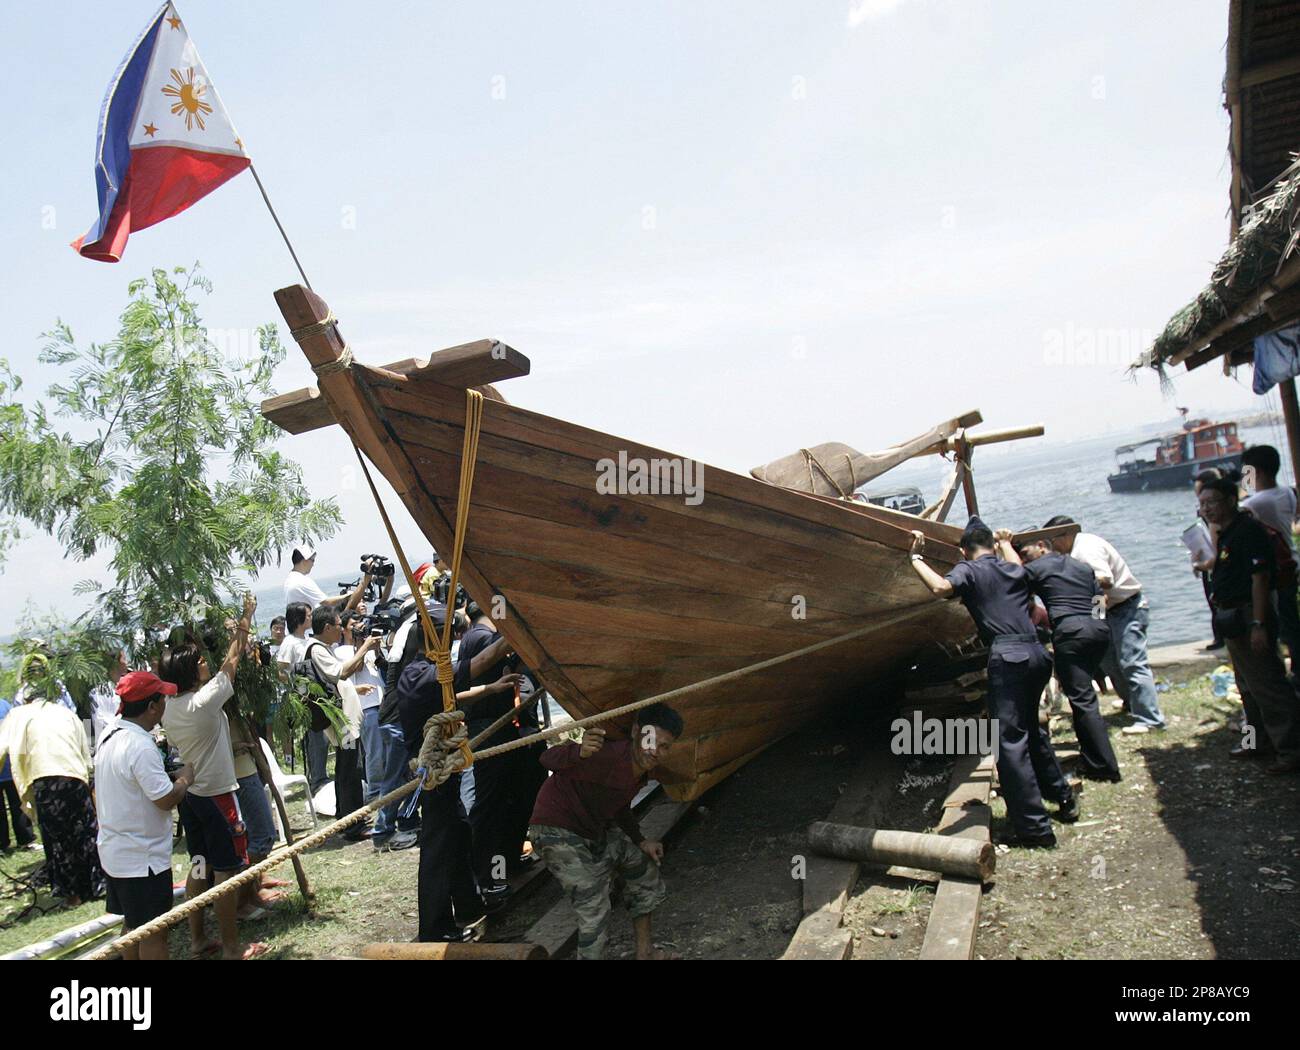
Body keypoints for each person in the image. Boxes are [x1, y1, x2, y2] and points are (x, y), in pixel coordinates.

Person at [908, 518, 1076, 847]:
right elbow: (1015, 564)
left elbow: (941, 589)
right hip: (1037, 655)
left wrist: (914, 558)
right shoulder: (1012, 569)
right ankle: (1064, 800)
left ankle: (1035, 830)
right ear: (992, 545)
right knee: (1032, 730)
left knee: (1009, 744)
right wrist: (1007, 544)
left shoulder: (969, 570)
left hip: (1008, 657)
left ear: (963, 550)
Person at [396, 615, 523, 942]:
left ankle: (467, 907)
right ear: (435, 639)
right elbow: (483, 660)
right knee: (438, 848)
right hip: (432, 776)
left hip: (445, 777)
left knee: (458, 833)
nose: (453, 644)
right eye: (449, 638)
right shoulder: (419, 674)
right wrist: (512, 635)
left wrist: (490, 689)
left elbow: (449, 696)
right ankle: (434, 930)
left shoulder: (422, 673)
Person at [159, 594, 268, 960]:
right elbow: (233, 659)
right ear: (191, 673)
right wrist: (246, 618)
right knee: (226, 871)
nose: (206, 662)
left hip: (191, 798)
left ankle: (197, 939)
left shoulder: (170, 710)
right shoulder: (204, 701)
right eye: (198, 661)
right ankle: (233, 948)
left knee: (199, 865)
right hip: (219, 796)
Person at [528, 704, 683, 960]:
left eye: (664, 746)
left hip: (592, 831)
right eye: (650, 740)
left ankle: (644, 953)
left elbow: (619, 807)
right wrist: (578, 751)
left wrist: (641, 840)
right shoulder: (606, 754)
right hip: (554, 831)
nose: (655, 750)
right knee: (594, 904)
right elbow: (546, 758)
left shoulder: (639, 771)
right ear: (636, 732)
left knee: (643, 869)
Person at [997, 531, 1121, 782]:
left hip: (1070, 631)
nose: (1023, 557)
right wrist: (1094, 624)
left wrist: (1003, 545)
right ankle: (1097, 759)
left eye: (1025, 552)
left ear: (1042, 545)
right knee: (1085, 696)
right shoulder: (1081, 566)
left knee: (1082, 700)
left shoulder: (1038, 568)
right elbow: (1099, 597)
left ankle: (1103, 766)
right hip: (1097, 630)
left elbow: (1013, 575)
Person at [1199, 475, 1300, 773]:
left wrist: (1258, 623)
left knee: (1268, 685)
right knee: (1246, 686)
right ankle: (1256, 741)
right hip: (1230, 618)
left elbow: (1260, 580)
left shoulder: (1248, 531)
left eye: (1212, 502)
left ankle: (1291, 749)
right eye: (1202, 504)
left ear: (1231, 500)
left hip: (1248, 616)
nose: (1207, 509)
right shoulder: (1226, 533)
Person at [94, 671, 195, 960]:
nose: (165, 704)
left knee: (133, 925)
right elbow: (165, 800)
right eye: (162, 699)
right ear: (152, 707)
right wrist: (185, 779)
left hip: (117, 852)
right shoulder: (140, 745)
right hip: (143, 858)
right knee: (153, 932)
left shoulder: (109, 734)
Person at [1043, 516, 1166, 735]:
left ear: (1065, 535)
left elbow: (1105, 580)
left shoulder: (1085, 549)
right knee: (1109, 662)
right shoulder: (1074, 552)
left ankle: (1151, 718)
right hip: (1107, 610)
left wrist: (1070, 582)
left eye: (1053, 541)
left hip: (1126, 608)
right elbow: (1099, 595)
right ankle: (1131, 703)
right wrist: (1095, 619)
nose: (1053, 548)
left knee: (1132, 662)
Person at [0, 676, 105, 904]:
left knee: (59, 839)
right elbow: (84, 751)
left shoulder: (17, 715)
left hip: (46, 781)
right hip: (75, 777)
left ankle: (73, 895)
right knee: (86, 832)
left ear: (26, 698)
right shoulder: (65, 712)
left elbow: (0, 747)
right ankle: (97, 886)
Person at [300, 605, 381, 840]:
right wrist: (364, 648)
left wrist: (354, 690)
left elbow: (330, 682)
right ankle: (353, 825)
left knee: (347, 768)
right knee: (350, 770)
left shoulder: (319, 648)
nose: (340, 631)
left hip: (339, 719)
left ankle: (345, 819)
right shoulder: (317, 649)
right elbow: (340, 673)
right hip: (339, 721)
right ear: (327, 627)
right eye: (338, 626)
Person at [1240, 445, 1300, 670]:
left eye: (1248, 471)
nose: (1246, 475)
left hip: (1274, 570)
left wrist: (1244, 481)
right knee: (1291, 623)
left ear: (1258, 472)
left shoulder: (1254, 504)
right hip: (1290, 562)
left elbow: (1240, 504)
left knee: (1280, 626)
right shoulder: (1286, 492)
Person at [337, 611, 388, 836]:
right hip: (365, 707)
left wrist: (376, 650)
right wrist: (363, 646)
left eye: (360, 624)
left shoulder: (366, 647)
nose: (359, 627)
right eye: (353, 624)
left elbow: (381, 667)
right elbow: (351, 671)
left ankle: (383, 791)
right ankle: (375, 795)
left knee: (383, 751)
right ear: (344, 630)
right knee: (373, 754)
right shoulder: (342, 651)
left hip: (381, 702)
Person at [277, 602, 328, 795]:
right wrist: (296, 688)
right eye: (308, 615)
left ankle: (320, 776)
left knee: (322, 738)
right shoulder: (289, 643)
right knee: (315, 739)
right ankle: (317, 780)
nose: (311, 618)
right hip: (304, 699)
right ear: (299, 619)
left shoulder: (305, 639)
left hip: (316, 695)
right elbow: (280, 669)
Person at [283, 544, 385, 613]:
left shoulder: (290, 579)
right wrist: (350, 595)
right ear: (304, 560)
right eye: (312, 560)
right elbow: (327, 602)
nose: (313, 564)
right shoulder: (302, 580)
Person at [1192, 469, 1226, 652]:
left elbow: (1218, 551)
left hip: (1214, 565)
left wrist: (1200, 564)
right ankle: (1220, 636)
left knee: (1217, 601)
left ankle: (1222, 637)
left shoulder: (1218, 522)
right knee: (1214, 602)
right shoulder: (1206, 516)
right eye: (1200, 501)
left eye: (1207, 501)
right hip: (1208, 563)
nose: (1203, 508)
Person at [0, 696, 36, 852]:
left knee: (19, 804)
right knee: (17, 804)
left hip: (10, 766)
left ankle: (24, 840)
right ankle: (10, 843)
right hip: (10, 766)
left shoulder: (5, 705)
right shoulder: (5, 704)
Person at [89, 649, 130, 751]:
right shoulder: (100, 690)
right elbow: (101, 721)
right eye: (124, 658)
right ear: (115, 663)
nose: (127, 662)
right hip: (110, 746)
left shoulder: (118, 685)